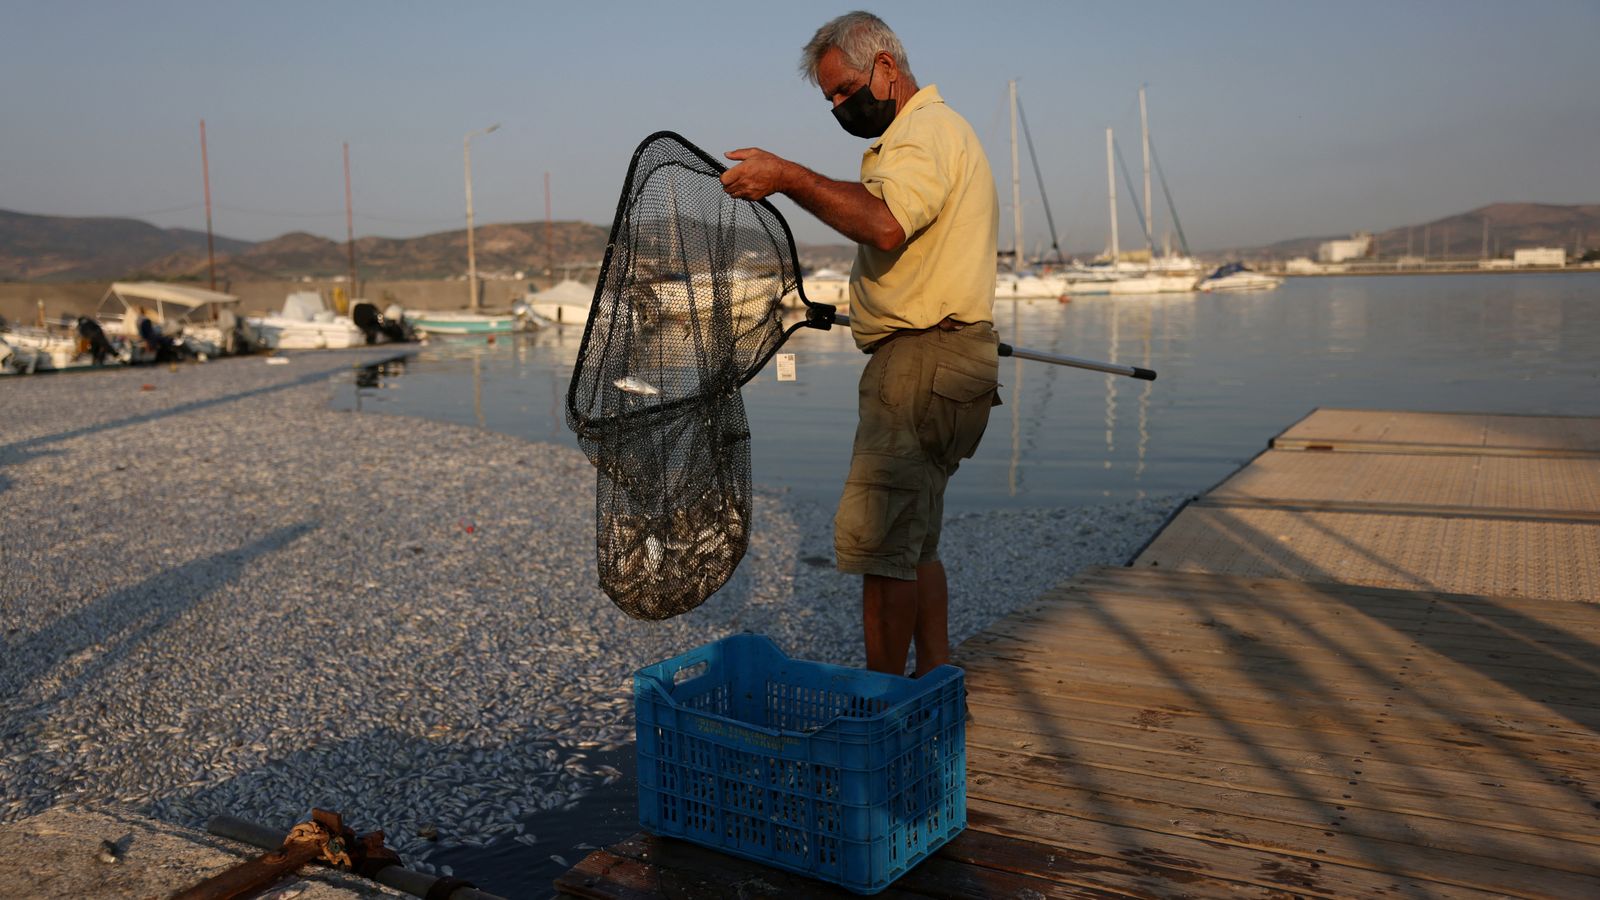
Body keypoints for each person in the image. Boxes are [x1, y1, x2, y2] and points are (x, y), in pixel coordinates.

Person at [721, 11, 1001, 677]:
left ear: (886, 66)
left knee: (879, 545)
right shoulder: (934, 133)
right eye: (831, 101)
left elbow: (884, 223)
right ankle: (935, 689)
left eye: (846, 90)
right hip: (952, 362)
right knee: (914, 541)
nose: (841, 107)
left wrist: (789, 176)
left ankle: (881, 712)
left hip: (921, 366)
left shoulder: (924, 134)